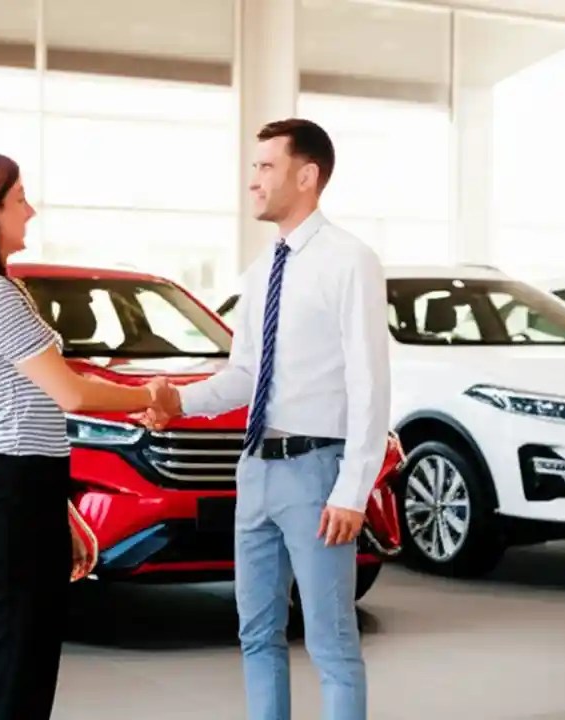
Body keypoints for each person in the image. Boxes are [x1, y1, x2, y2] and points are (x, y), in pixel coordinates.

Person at [141, 118, 390, 720]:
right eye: (253, 167)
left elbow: (370, 381)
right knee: (256, 634)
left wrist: (353, 489)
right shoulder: (260, 272)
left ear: (307, 176)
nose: (253, 180)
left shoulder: (350, 261)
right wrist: (179, 403)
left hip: (317, 472)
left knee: (331, 642)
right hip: (255, 470)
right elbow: (245, 376)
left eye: (266, 167)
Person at [0, 150, 169, 720]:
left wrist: (60, 509)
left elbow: (24, 409)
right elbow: (71, 394)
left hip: (18, 486)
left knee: (23, 670)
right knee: (18, 677)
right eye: (18, 200)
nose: (30, 211)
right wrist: (150, 397)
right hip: (12, 492)